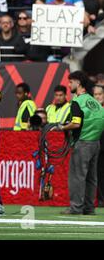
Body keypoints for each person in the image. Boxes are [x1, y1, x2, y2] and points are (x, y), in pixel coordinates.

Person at [54, 71, 104, 215]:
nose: (69, 85)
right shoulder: (94, 101)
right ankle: (89, 208)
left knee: (77, 177)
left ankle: (76, 207)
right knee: (91, 178)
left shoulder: (77, 101)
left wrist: (63, 127)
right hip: (96, 143)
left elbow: (76, 123)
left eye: (71, 82)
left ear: (78, 83)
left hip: (83, 143)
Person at [93, 84, 104, 207]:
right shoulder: (91, 111)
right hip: (95, 145)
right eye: (95, 94)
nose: (98, 97)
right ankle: (101, 200)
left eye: (100, 94)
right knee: (98, 174)